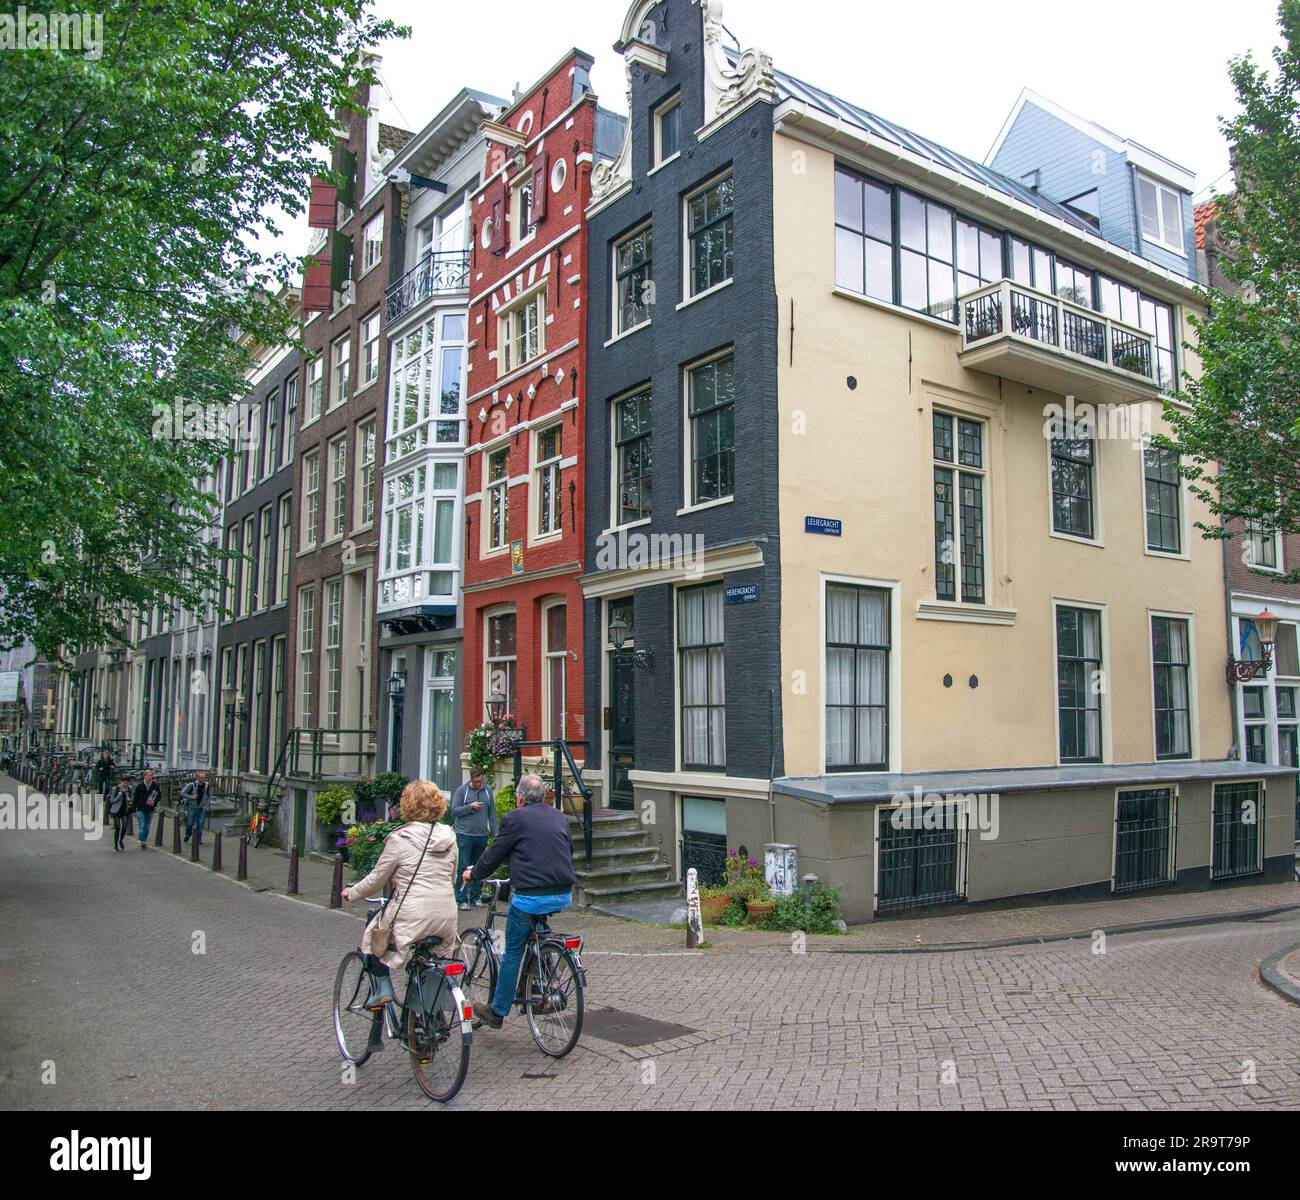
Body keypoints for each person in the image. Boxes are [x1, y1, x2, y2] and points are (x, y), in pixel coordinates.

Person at [463, 773, 575, 1030]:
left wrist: (473, 874)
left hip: (530, 896)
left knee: (513, 952)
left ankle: (497, 1011)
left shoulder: (514, 819)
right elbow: (567, 852)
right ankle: (540, 975)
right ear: (544, 796)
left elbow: (493, 855)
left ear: (520, 798)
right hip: (562, 893)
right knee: (536, 930)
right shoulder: (559, 817)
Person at [343, 779, 459, 1020]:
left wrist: (351, 893)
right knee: (432, 960)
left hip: (412, 913)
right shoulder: (449, 836)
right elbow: (452, 876)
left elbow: (377, 879)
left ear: (407, 806)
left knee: (373, 936)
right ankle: (430, 1019)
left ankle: (383, 989)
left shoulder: (400, 839)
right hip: (446, 915)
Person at [449, 767, 498, 910]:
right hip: (464, 834)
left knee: (478, 867)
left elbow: (492, 814)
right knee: (464, 867)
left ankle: (476, 897)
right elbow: (454, 811)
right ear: (471, 779)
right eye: (476, 782)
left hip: (481, 834)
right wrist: (470, 807)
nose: (479, 784)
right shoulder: (462, 791)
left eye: (481, 781)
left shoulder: (487, 791)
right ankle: (462, 899)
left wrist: (496, 833)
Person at [131, 768, 160, 849]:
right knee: (142, 824)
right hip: (141, 808)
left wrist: (155, 802)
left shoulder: (155, 786)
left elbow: (159, 796)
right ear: (144, 776)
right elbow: (135, 798)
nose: (149, 777)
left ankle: (144, 840)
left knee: (147, 827)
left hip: (150, 808)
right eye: (148, 776)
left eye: (151, 776)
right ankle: (141, 839)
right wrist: (133, 810)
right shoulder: (140, 786)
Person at [181, 771, 211, 844]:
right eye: (201, 778)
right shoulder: (191, 785)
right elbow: (182, 793)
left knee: (200, 824)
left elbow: (209, 796)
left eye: (204, 778)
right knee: (189, 823)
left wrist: (205, 806)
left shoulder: (206, 785)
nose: (202, 779)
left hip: (201, 808)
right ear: (197, 778)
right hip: (192, 807)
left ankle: (198, 839)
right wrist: (191, 797)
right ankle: (188, 834)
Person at [108, 776, 133, 852]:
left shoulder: (129, 788)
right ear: (121, 781)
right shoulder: (115, 788)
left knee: (124, 827)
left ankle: (121, 840)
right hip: (116, 811)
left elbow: (132, 798)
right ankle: (116, 845)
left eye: (127, 782)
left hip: (125, 810)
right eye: (123, 782)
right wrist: (118, 796)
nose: (125, 784)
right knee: (118, 827)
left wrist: (129, 799)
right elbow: (112, 800)